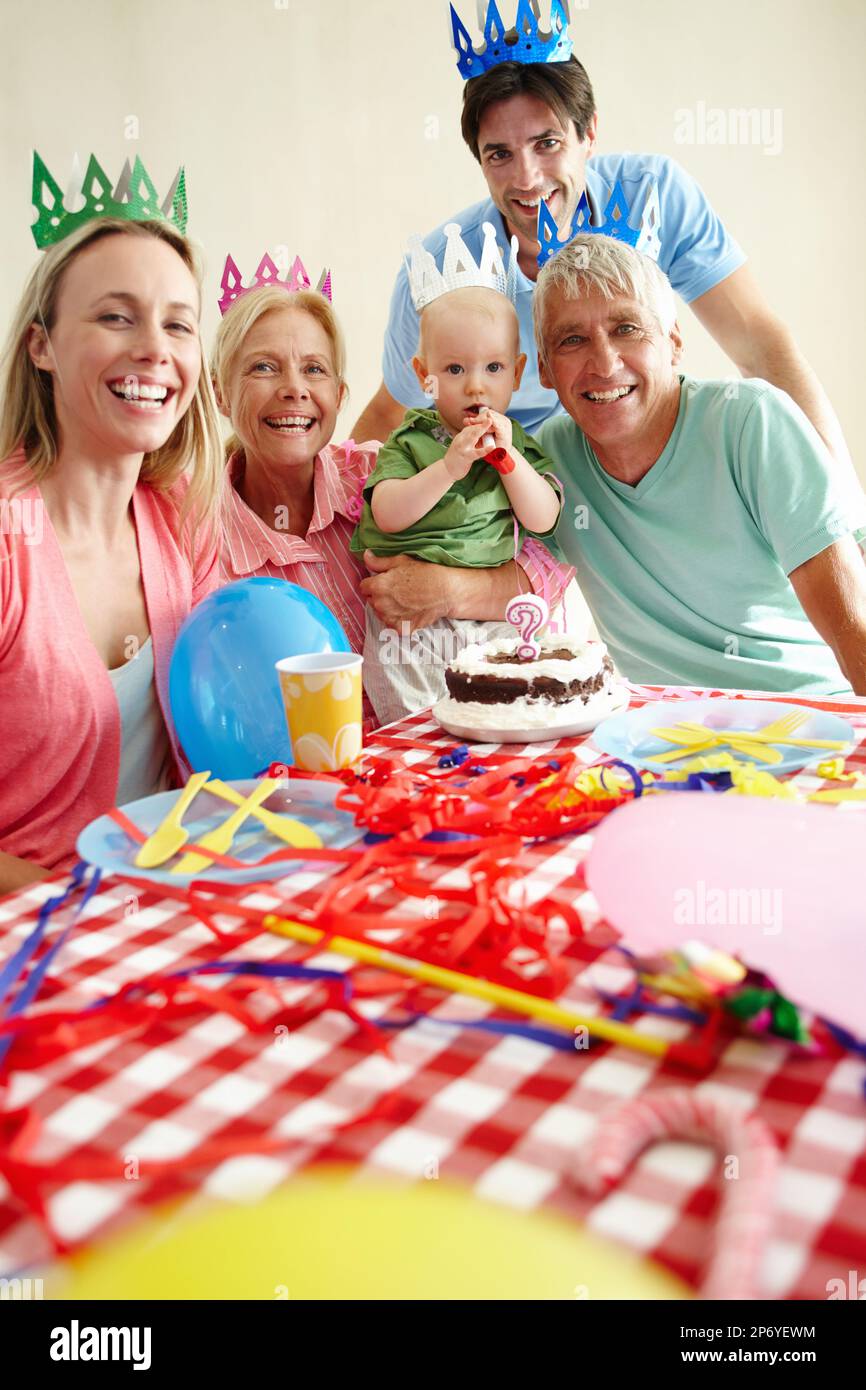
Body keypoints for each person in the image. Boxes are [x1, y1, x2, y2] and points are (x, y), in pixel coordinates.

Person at [353, 34, 850, 468]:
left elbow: (761, 347)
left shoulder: (655, 195)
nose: (527, 180)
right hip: (508, 471)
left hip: (635, 440)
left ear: (588, 133)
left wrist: (848, 520)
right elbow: (389, 413)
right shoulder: (441, 268)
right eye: (500, 154)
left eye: (546, 143)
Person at [210, 268, 570, 724]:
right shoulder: (201, 546)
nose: (294, 388)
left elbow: (551, 569)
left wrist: (450, 590)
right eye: (264, 366)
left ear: (339, 395)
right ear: (221, 393)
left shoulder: (367, 467)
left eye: (314, 369)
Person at [532, 233, 866, 695]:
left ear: (673, 342)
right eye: (572, 339)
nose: (605, 364)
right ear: (545, 369)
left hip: (804, 714)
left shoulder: (750, 419)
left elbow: (856, 632)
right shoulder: (545, 461)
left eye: (627, 328)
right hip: (655, 735)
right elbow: (509, 579)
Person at [0, 211, 224, 893]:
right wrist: (86, 907)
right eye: (117, 318)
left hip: (159, 915)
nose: (156, 349)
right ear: (43, 345)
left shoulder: (182, 517)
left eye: (179, 324)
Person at [351, 278, 562, 723]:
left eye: (493, 368)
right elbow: (386, 514)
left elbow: (543, 518)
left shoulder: (516, 444)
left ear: (517, 372)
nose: (475, 388)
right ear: (423, 374)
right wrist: (447, 469)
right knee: (415, 724)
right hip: (408, 621)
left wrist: (509, 464)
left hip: (489, 614)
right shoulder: (410, 441)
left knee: (504, 713)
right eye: (454, 370)